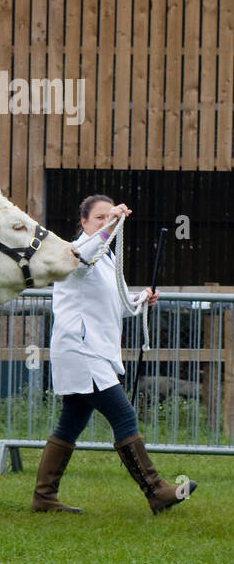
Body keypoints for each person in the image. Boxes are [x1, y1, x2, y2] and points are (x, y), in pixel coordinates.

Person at [31, 195, 197, 515]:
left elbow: (119, 308)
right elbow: (84, 256)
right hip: (82, 351)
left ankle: (44, 497)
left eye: (110, 217)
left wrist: (140, 300)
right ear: (83, 222)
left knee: (69, 425)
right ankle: (156, 491)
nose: (106, 222)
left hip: (94, 352)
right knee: (124, 417)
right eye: (98, 218)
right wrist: (109, 227)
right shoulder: (75, 251)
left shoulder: (107, 259)